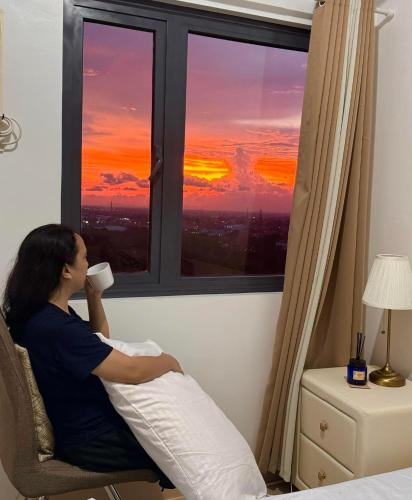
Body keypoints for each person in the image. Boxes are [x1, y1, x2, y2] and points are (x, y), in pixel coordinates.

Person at [2, 223, 182, 491]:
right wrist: (169, 361)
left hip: (80, 427)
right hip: (92, 440)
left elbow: (98, 339)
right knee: (181, 446)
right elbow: (130, 371)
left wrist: (94, 295)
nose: (88, 264)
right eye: (85, 257)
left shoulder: (41, 312)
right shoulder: (55, 328)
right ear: (66, 270)